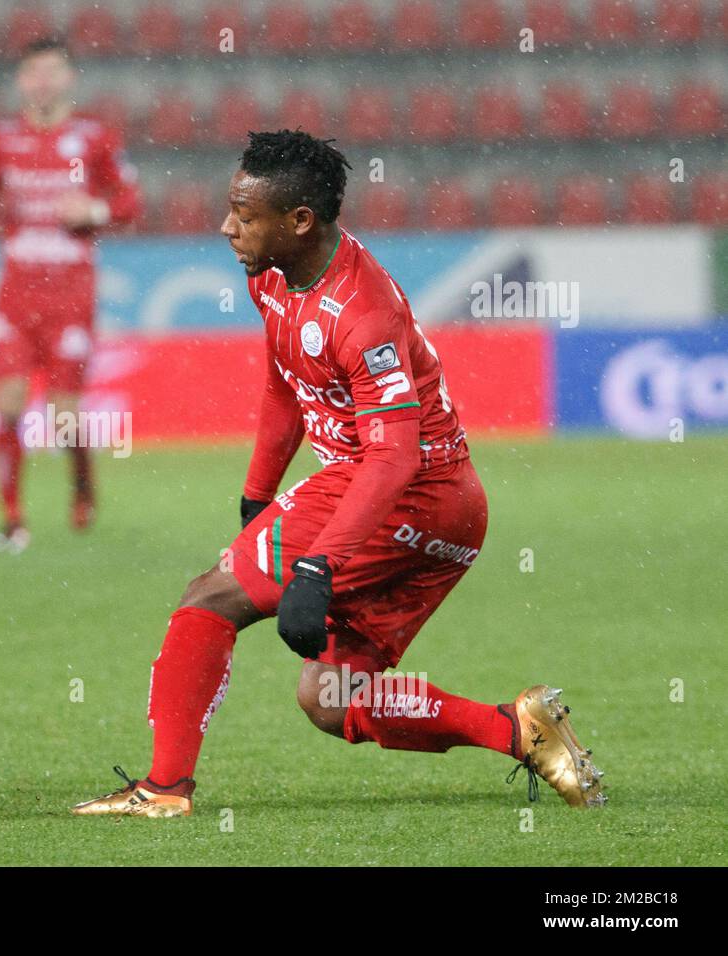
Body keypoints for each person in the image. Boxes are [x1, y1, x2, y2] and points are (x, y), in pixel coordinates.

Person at [72, 129, 606, 817]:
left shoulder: (362, 312)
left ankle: (164, 788)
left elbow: (394, 454)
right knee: (331, 700)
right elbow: (283, 381)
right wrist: (257, 493)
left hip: (406, 492)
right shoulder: (270, 273)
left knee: (208, 598)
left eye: (243, 212)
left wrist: (319, 566)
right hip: (438, 513)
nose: (226, 225)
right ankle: (517, 727)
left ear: (299, 221)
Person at [0, 37, 141, 552]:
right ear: (21, 82)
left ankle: (82, 480)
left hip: (70, 298)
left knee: (63, 420)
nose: (43, 82)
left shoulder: (94, 139)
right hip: (15, 296)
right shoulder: (1, 140)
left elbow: (129, 200)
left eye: (52, 72)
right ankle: (13, 520)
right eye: (33, 73)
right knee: (8, 407)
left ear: (69, 79)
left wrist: (96, 212)